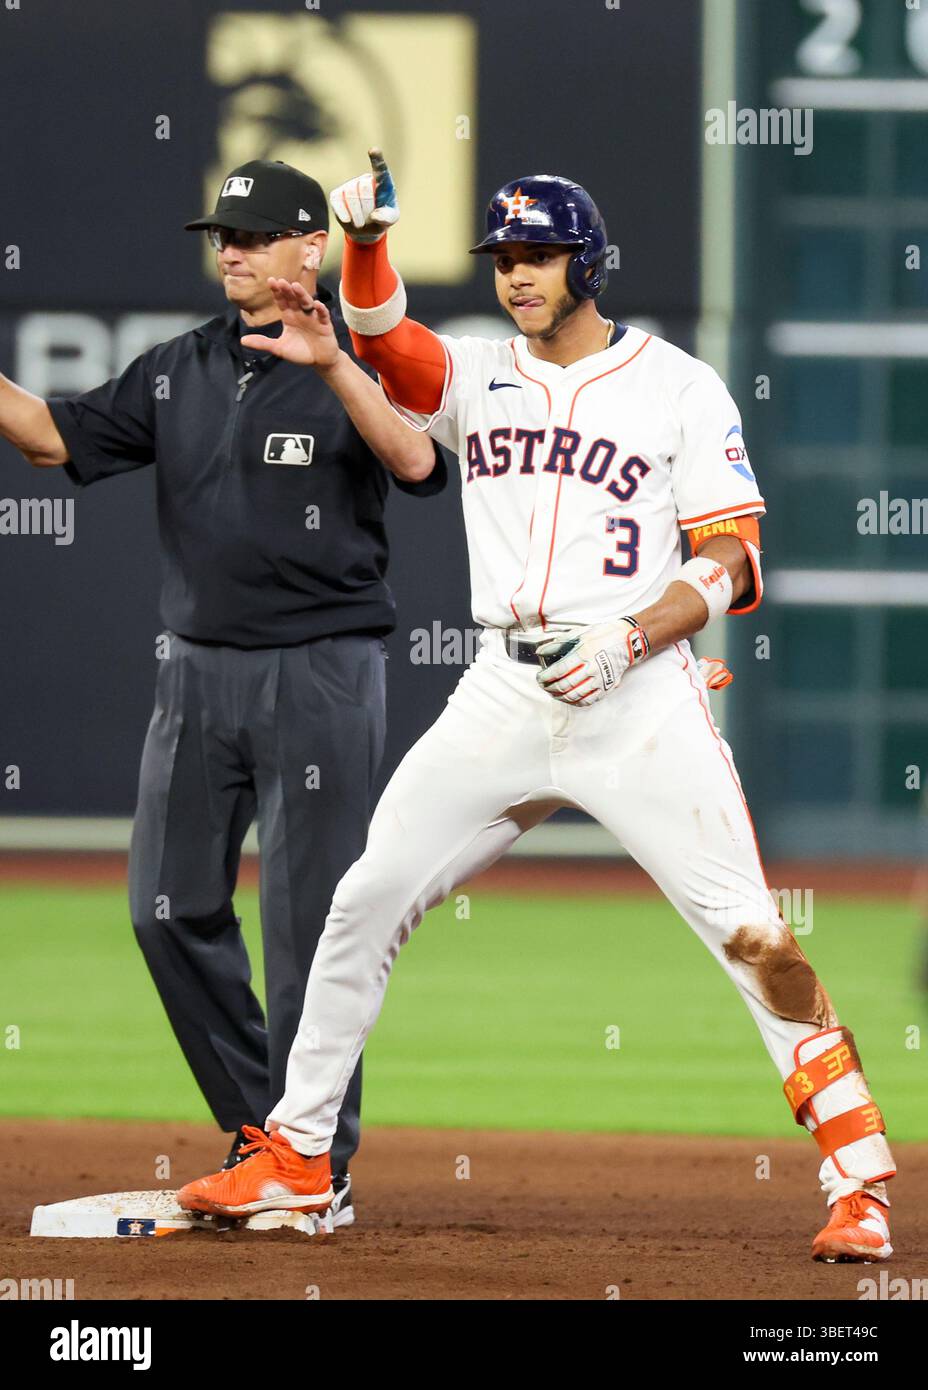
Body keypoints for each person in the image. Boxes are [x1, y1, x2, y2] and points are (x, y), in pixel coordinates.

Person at [176, 152, 895, 1264]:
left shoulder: (678, 386)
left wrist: (632, 636)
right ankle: (299, 1155)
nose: (516, 276)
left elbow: (735, 559)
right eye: (503, 259)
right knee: (364, 898)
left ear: (588, 262)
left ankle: (860, 1180)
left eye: (537, 257)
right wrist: (365, 243)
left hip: (637, 691)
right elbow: (383, 341)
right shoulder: (477, 374)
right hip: (504, 688)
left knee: (751, 932)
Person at [0, 157, 445, 1228]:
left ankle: (317, 1174)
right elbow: (55, 436)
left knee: (307, 931)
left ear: (311, 247)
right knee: (167, 908)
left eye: (253, 234)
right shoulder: (178, 367)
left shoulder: (358, 357)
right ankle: (268, 1135)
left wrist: (337, 364)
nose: (232, 250)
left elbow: (421, 465)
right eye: (221, 235)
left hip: (321, 671)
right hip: (194, 672)